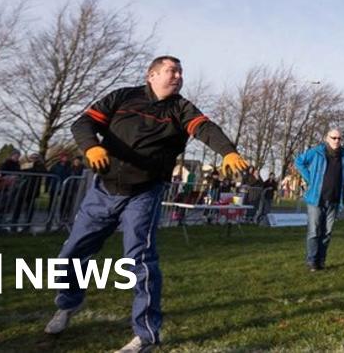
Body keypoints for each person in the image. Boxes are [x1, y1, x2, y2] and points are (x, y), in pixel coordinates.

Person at [43, 55, 249, 353]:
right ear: (151, 75)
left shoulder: (181, 108)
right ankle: (68, 304)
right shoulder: (123, 97)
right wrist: (92, 146)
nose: (178, 76)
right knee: (71, 253)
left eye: (180, 72)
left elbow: (206, 129)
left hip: (145, 192)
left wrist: (227, 151)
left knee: (140, 261)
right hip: (103, 189)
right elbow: (83, 123)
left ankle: (146, 335)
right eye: (171, 71)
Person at [294, 128, 344, 272]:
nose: (336, 141)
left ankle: (321, 260)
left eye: (339, 138)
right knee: (314, 231)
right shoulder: (317, 152)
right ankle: (311, 261)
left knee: (327, 233)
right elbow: (299, 162)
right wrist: (309, 178)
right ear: (327, 138)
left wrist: (342, 183)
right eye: (333, 138)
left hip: (334, 199)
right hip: (316, 199)